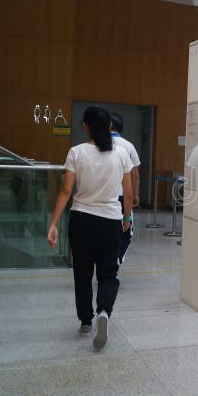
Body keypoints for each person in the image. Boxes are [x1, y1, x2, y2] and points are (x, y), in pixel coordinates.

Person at [47, 106, 133, 350]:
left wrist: (53, 223)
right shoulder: (121, 154)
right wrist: (127, 218)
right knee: (108, 274)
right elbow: (128, 193)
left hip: (81, 220)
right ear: (109, 126)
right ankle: (104, 311)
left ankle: (86, 322)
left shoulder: (76, 152)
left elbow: (66, 190)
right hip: (110, 221)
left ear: (85, 126)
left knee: (82, 274)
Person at [110, 112, 141, 264]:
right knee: (125, 229)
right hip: (123, 196)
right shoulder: (128, 146)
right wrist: (135, 194)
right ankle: (115, 261)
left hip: (104, 196)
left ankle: (105, 262)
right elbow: (135, 175)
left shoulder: (96, 144)